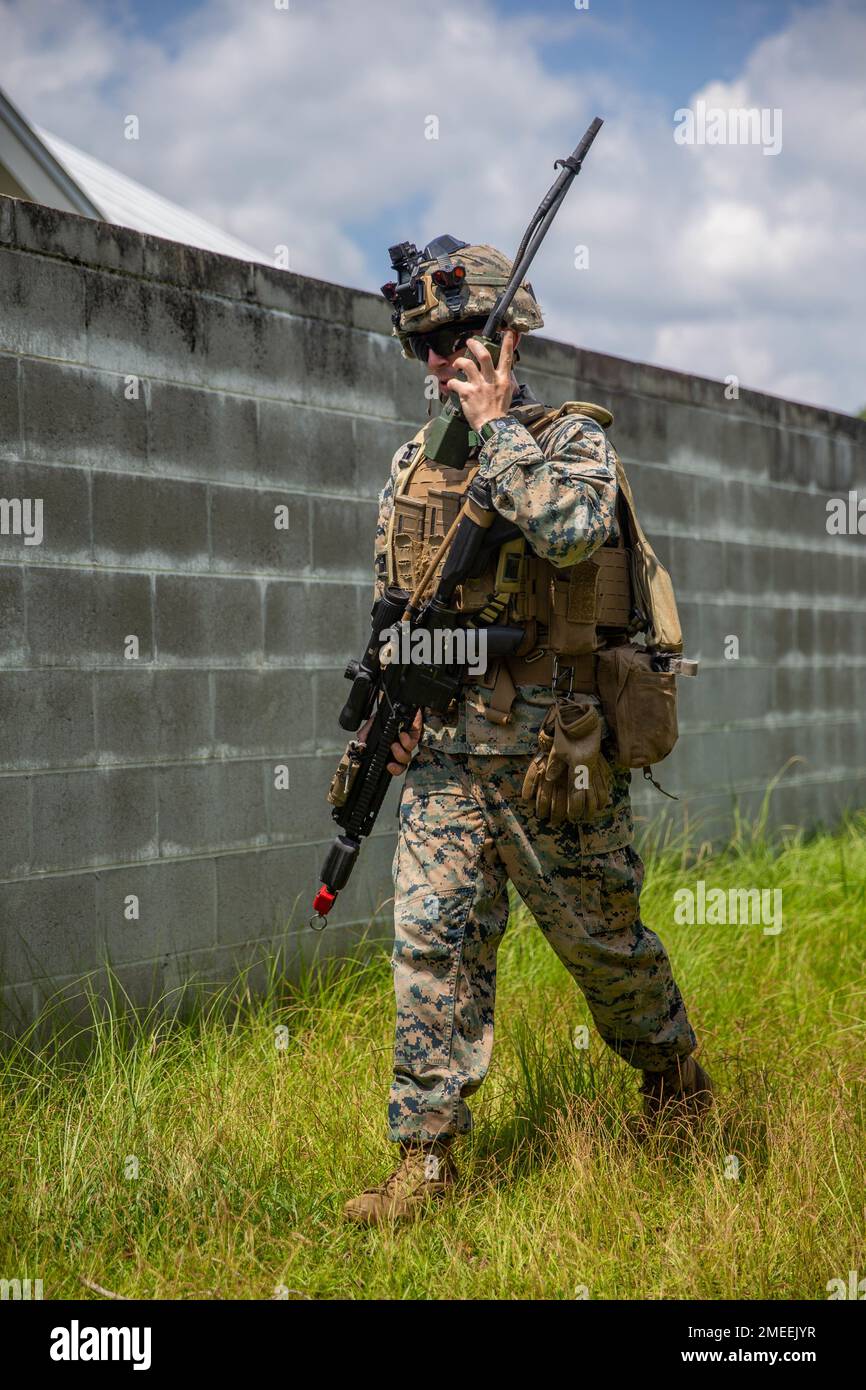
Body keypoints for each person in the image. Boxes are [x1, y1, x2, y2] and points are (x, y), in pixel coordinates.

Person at [343, 238, 712, 1226]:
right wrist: (389, 705)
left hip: (556, 756)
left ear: (505, 336)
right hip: (444, 758)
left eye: (455, 338)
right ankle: (423, 1161)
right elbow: (396, 602)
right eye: (423, 345)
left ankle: (674, 1085)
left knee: (603, 946)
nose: (438, 360)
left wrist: (497, 428)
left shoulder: (569, 440)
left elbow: (572, 534)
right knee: (430, 946)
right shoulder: (414, 463)